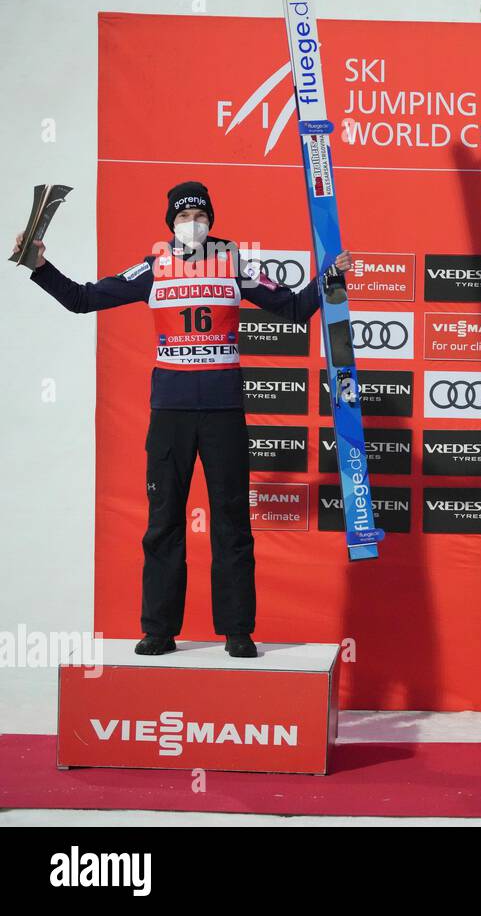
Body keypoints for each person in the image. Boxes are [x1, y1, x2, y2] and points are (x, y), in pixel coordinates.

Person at [15, 181, 346, 658]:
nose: (193, 223)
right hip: (169, 414)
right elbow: (83, 299)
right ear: (170, 222)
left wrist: (331, 277)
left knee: (232, 522)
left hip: (223, 412)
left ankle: (237, 630)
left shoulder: (235, 264)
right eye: (184, 216)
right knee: (163, 521)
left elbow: (294, 309)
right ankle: (159, 629)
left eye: (201, 216)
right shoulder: (153, 268)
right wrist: (39, 267)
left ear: (212, 220)